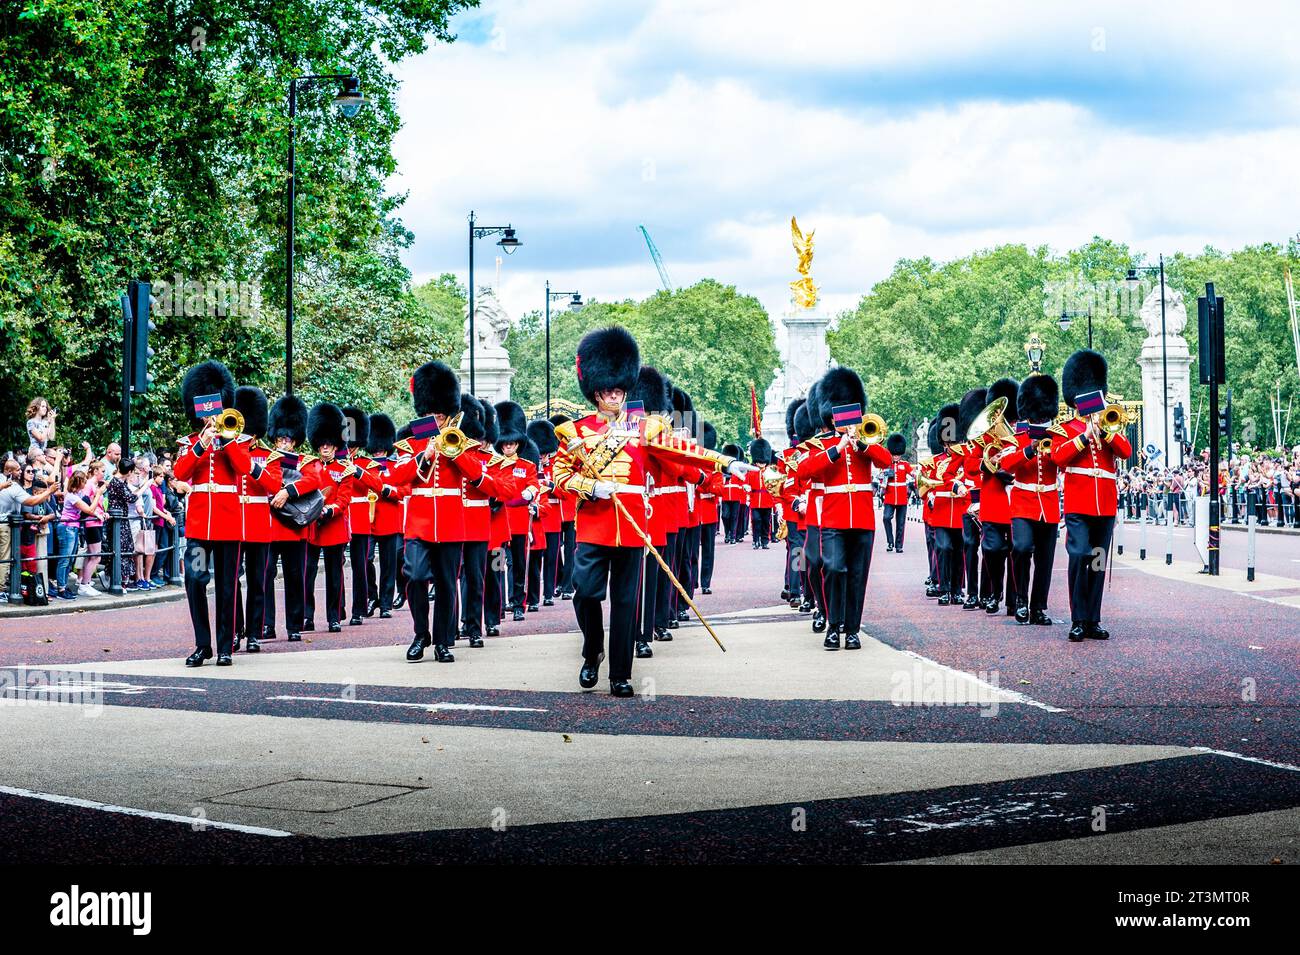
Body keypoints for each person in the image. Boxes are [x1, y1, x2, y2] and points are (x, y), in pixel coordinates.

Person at [552, 326, 752, 697]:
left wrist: (724, 463)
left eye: (618, 389)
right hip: (594, 525)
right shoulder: (576, 432)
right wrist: (590, 487)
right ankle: (592, 649)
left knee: (626, 602)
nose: (614, 395)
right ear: (595, 392)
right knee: (585, 593)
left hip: (632, 528)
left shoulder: (646, 429)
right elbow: (559, 475)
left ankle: (620, 674)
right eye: (607, 390)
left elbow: (682, 450)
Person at [388, 361, 514, 664]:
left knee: (447, 583)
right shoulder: (412, 439)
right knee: (415, 576)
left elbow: (479, 476)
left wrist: (456, 454)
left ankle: (443, 641)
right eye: (432, 413)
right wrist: (425, 454)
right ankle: (421, 634)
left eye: (442, 414)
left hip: (451, 523)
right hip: (418, 522)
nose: (437, 419)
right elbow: (395, 476)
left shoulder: (464, 441)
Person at [796, 368, 892, 650]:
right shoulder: (823, 445)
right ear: (831, 415)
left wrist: (862, 444)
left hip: (862, 518)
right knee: (834, 569)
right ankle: (833, 624)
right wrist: (837, 448)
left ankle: (851, 630)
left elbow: (886, 461)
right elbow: (804, 470)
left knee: (857, 575)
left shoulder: (866, 441)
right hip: (834, 518)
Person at [175, 360, 261, 667]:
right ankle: (203, 644)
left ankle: (225, 647)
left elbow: (243, 469)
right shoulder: (190, 443)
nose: (212, 417)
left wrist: (226, 442)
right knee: (195, 580)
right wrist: (202, 445)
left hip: (228, 525)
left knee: (227, 587)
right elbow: (180, 472)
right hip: (199, 526)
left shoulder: (238, 442)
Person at [1051, 350, 1131, 642]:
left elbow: (1125, 451)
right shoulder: (1065, 429)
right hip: (1078, 504)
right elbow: (1059, 457)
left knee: (1097, 559)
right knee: (1079, 554)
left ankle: (1093, 619)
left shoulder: (1110, 425)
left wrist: (1106, 431)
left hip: (1105, 505)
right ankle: (1077, 618)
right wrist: (1085, 436)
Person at [999, 374, 1061, 626]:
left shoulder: (1057, 435)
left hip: (1048, 503)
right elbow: (1006, 464)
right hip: (1023, 502)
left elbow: (1064, 461)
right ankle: (1021, 600)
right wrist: (1029, 449)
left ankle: (1038, 607)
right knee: (1022, 548)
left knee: (1045, 559)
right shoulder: (1018, 436)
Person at [264, 394, 315, 642]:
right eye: (280, 438)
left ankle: (294, 625)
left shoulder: (304, 461)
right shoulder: (266, 460)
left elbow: (313, 480)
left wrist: (288, 490)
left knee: (295, 577)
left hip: (294, 528)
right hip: (269, 528)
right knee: (265, 575)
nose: (284, 443)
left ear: (295, 442)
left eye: (288, 439)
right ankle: (267, 623)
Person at [304, 403, 356, 635]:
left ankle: (334, 617)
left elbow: (344, 499)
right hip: (313, 527)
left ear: (335, 446)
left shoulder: (344, 469)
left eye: (329, 444)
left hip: (334, 526)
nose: (325, 448)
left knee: (335, 576)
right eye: (322, 444)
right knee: (308, 573)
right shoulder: (309, 466)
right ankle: (307, 616)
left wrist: (329, 510)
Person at [974, 377, 1019, 616]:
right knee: (991, 549)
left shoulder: (1022, 432)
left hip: (1014, 500)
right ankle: (994, 592)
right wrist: (989, 463)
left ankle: (1013, 600)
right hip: (993, 498)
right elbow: (971, 465)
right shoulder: (984, 438)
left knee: (1016, 551)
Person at [364, 413, 404, 621]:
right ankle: (372, 596)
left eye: (382, 447)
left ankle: (386, 603)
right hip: (369, 521)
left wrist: (388, 491)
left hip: (389, 519)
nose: (379, 450)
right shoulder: (365, 466)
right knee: (366, 560)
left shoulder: (395, 466)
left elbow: (403, 491)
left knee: (389, 564)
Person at [881, 433, 911, 554]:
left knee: (901, 523)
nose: (896, 457)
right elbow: (882, 479)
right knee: (886, 518)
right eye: (894, 455)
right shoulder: (886, 465)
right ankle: (890, 542)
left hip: (902, 498)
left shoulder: (905, 465)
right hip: (889, 496)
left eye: (898, 455)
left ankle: (899, 545)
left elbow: (913, 474)